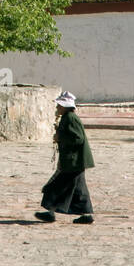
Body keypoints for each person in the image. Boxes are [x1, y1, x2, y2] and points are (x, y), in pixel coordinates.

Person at [35, 91, 95, 224]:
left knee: (56, 185)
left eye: (59, 106)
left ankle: (50, 212)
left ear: (65, 106)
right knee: (79, 189)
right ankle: (86, 214)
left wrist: (60, 137)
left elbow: (78, 138)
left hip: (73, 161)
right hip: (75, 161)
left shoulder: (70, 118)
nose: (57, 108)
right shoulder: (68, 118)